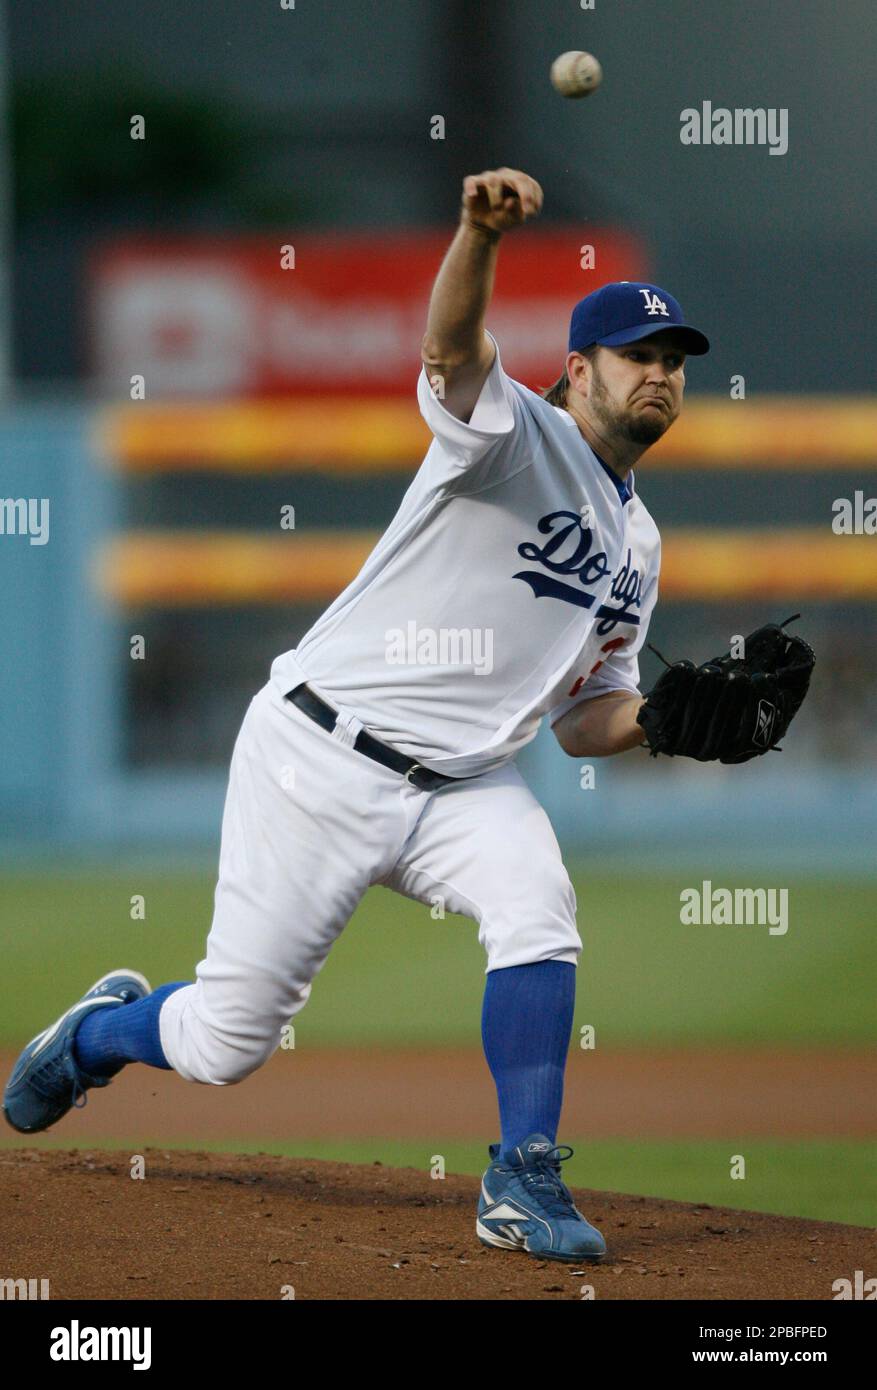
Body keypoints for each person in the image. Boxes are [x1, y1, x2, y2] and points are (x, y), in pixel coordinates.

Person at [4, 167, 710, 1266]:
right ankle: (98, 1033)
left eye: (674, 363)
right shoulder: (511, 430)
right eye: (640, 357)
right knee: (225, 1042)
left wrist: (673, 720)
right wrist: (476, 237)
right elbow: (449, 351)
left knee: (537, 905)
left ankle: (520, 1174)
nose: (661, 375)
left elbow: (584, 718)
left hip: (466, 783)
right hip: (320, 750)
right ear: (578, 371)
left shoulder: (642, 546)